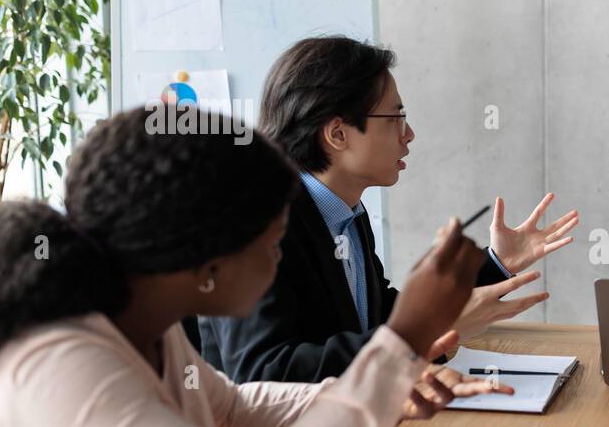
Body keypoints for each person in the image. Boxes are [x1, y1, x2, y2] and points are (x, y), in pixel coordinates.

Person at [0, 106, 504, 427]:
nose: (280, 258)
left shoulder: (147, 318)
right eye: (274, 242)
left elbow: (231, 413)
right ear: (206, 262)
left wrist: (382, 390)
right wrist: (404, 338)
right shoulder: (59, 364)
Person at [198, 36, 579, 382]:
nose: (408, 134)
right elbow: (264, 372)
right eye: (395, 118)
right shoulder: (252, 223)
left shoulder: (346, 212)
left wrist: (494, 262)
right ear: (338, 134)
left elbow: (380, 316)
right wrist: (426, 335)